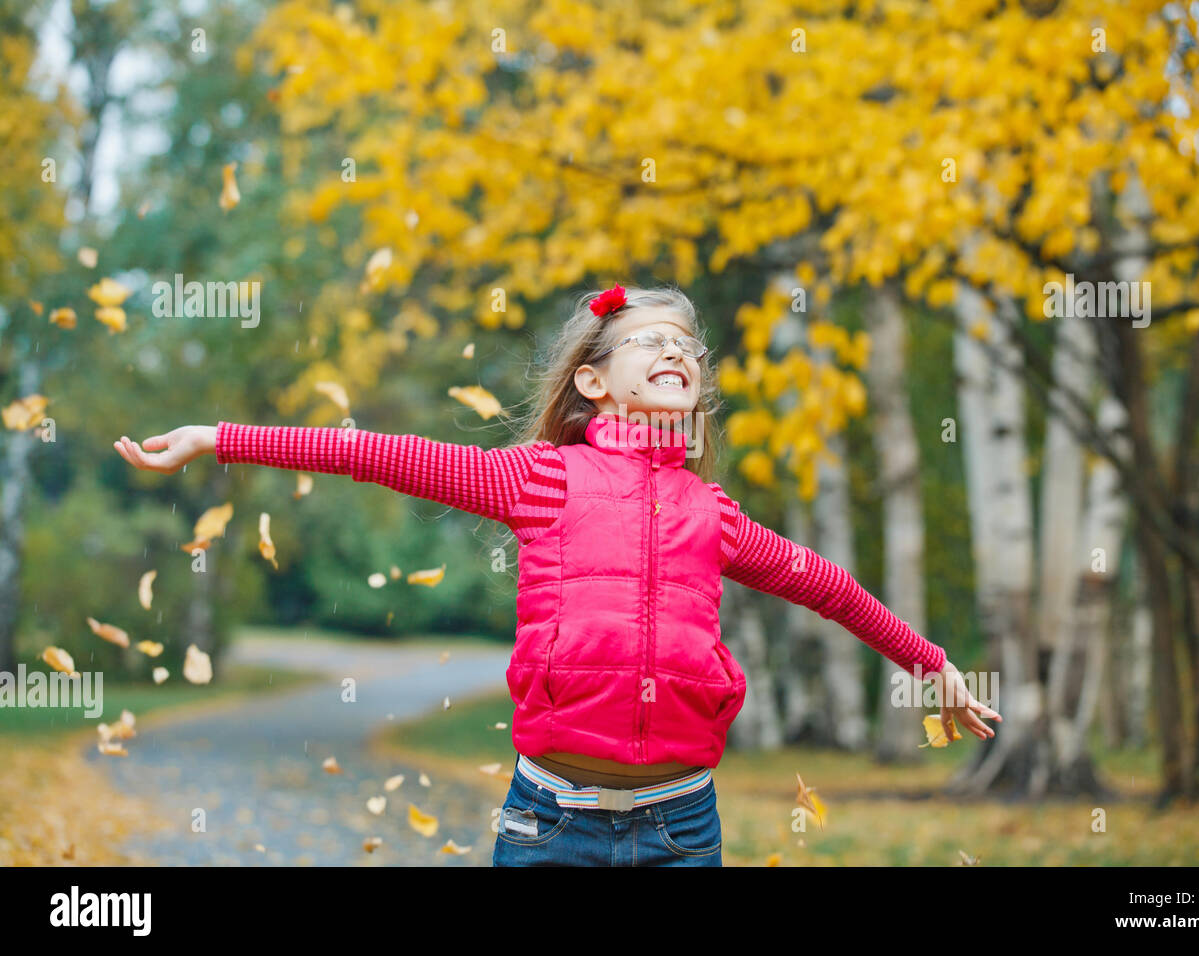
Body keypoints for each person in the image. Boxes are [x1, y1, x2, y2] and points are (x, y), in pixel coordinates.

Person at [113, 283, 1001, 866]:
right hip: (551, 823)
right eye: (652, 340)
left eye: (689, 347)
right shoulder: (538, 479)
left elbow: (827, 585)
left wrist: (933, 665)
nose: (678, 353)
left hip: (682, 827)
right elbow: (379, 455)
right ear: (593, 378)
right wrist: (219, 439)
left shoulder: (713, 513)